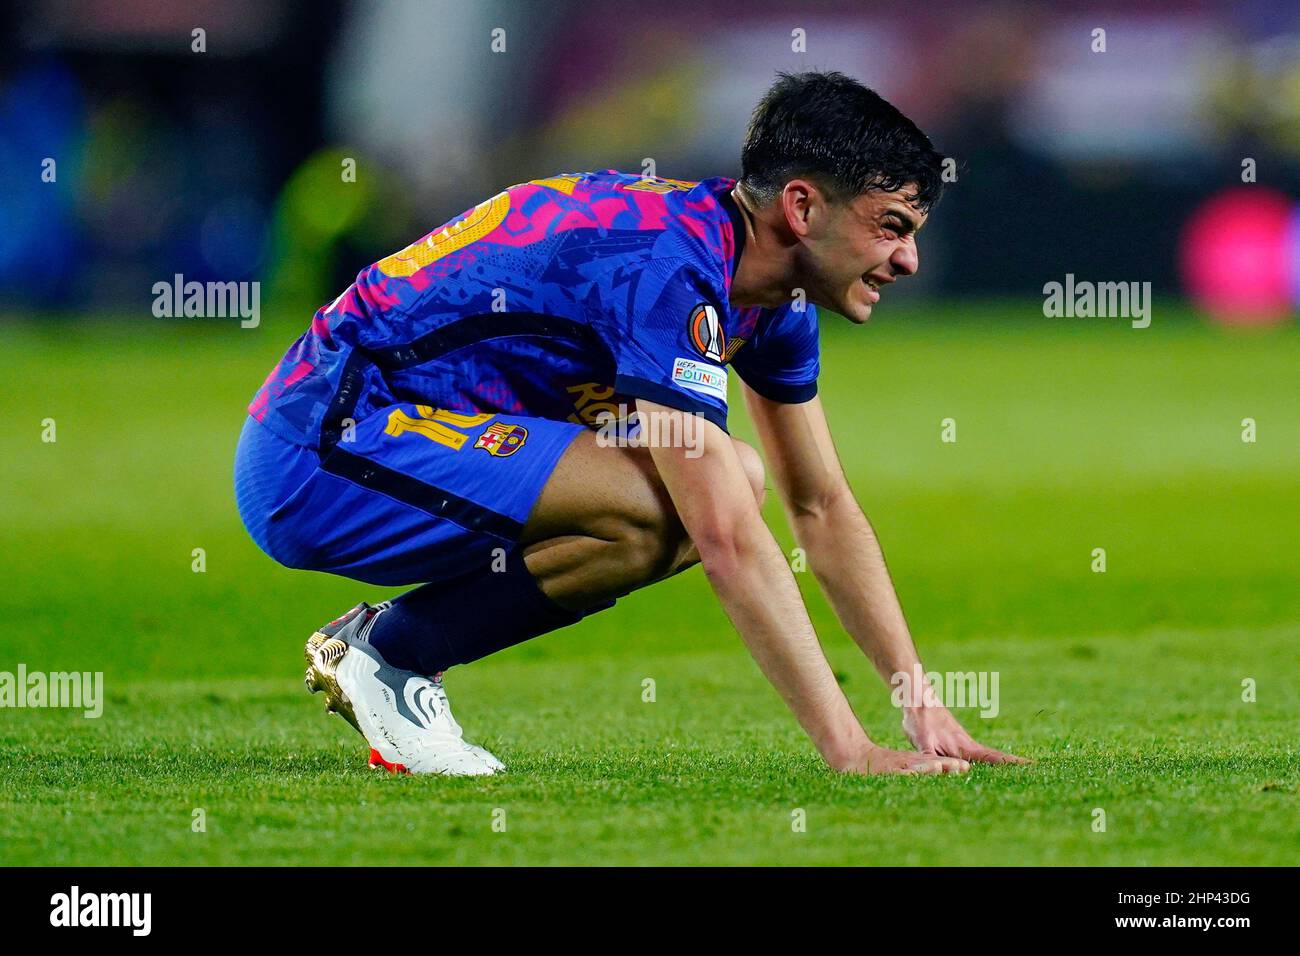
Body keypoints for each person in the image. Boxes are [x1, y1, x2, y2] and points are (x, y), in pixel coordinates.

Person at [234, 70, 1024, 775]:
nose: (908, 260)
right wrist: (849, 750)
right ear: (802, 206)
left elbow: (819, 506)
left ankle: (391, 652)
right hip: (321, 449)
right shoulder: (665, 266)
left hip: (413, 434)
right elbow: (724, 536)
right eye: (891, 226)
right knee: (698, 496)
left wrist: (919, 703)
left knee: (727, 480)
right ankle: (394, 658)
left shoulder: (765, 296)